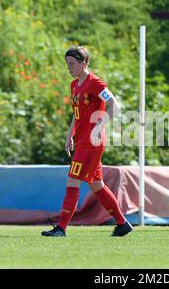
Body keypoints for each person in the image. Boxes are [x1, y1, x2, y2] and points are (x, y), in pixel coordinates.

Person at [42, 46, 132, 237]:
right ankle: (122, 224)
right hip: (82, 140)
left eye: (72, 64)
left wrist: (99, 127)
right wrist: (70, 134)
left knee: (72, 180)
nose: (69, 68)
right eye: (67, 64)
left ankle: (61, 228)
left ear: (84, 63)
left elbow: (114, 106)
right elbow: (77, 114)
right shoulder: (74, 85)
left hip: (92, 141)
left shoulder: (95, 83)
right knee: (96, 185)